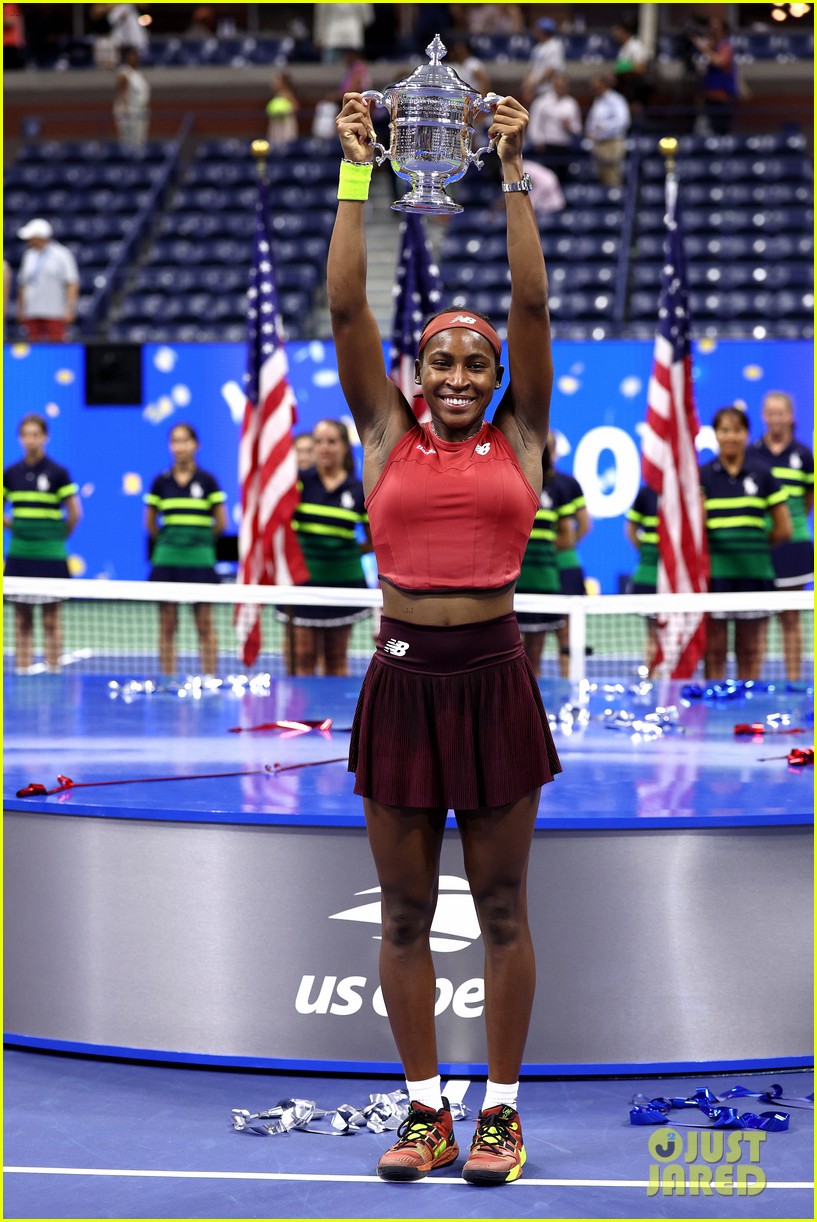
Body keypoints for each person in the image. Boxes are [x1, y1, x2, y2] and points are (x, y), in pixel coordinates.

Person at [329, 90, 560, 1186]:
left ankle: (501, 1115)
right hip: (403, 685)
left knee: (505, 908)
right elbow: (343, 315)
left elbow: (530, 301)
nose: (460, 376)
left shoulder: (524, 431)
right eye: (443, 364)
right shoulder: (382, 434)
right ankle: (425, 1113)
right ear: (418, 377)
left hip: (496, 680)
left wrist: (511, 167)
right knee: (408, 911)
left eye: (476, 362)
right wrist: (353, 173)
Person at [700, 407, 791, 680]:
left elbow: (783, 528)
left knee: (750, 649)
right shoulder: (702, 475)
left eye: (736, 430)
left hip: (754, 575)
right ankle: (713, 707)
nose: (730, 436)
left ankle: (748, 708)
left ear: (746, 434)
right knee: (714, 649)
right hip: (716, 577)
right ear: (715, 434)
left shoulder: (762, 474)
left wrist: (753, 546)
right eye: (724, 430)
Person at [279, 418, 372, 677]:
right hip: (302, 584)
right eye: (319, 442)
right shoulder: (298, 483)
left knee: (336, 659)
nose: (324, 448)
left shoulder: (357, 488)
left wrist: (347, 554)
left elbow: (374, 537)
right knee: (303, 657)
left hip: (344, 584)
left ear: (344, 446)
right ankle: (301, 718)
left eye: (331, 441)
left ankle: (336, 718)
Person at [144, 423, 227, 675]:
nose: (179, 446)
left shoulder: (208, 481)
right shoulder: (160, 481)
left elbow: (221, 523)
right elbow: (150, 522)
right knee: (167, 626)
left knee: (204, 625)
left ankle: (209, 678)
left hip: (200, 562)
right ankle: (168, 679)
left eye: (184, 441)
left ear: (195, 445)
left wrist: (198, 542)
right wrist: (171, 542)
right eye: (175, 441)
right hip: (167, 560)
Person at [3, 413, 81, 673]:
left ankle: (54, 669)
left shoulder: (58, 472)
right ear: (20, 438)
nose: (31, 440)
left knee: (51, 620)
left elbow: (74, 514)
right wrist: (17, 527)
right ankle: (22, 669)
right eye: (26, 435)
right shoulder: (10, 473)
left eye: (35, 434)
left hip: (51, 556)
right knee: (22, 620)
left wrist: (53, 537)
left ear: (45, 437)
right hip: (19, 554)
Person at [750, 391, 814, 681]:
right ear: (764, 416)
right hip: (762, 545)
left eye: (781, 413)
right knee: (758, 619)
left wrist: (791, 523)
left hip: (796, 545)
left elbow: (809, 499)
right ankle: (758, 683)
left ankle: (794, 682)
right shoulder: (752, 454)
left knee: (791, 617)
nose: (776, 418)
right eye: (770, 413)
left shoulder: (803, 454)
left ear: (790, 416)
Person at [516, 447, 573, 675]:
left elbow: (567, 535)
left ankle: (530, 707)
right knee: (508, 651)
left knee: (534, 655)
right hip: (512, 579)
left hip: (544, 580)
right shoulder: (510, 481)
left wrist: (544, 550)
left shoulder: (557, 488)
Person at [550, 435, 590, 679]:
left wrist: (560, 545)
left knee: (567, 635)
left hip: (565, 568)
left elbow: (584, 525)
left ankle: (571, 691)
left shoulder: (568, 484)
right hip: (530, 571)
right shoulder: (519, 477)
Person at [16, 219, 79, 342]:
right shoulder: (29, 255)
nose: (28, 240)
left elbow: (72, 283)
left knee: (56, 346)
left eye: (31, 237)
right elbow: (23, 283)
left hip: (55, 311)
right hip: (32, 311)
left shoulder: (62, 254)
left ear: (40, 237)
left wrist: (70, 308)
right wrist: (21, 308)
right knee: (33, 347)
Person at [625, 484, 659, 675]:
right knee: (653, 633)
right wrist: (647, 552)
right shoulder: (646, 493)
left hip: (677, 579)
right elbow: (631, 528)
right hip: (649, 576)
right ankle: (654, 680)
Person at [527, 72, 581, 182]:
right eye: (559, 85)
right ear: (553, 85)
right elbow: (534, 123)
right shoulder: (542, 102)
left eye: (564, 85)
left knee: (563, 179)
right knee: (547, 179)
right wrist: (537, 140)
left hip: (565, 147)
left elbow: (578, 128)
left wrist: (570, 126)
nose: (562, 87)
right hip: (547, 147)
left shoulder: (571, 103)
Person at [692, 13, 738, 136]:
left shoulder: (725, 46)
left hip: (722, 98)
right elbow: (701, 70)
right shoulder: (711, 47)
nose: (713, 30)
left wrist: (704, 49)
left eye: (716, 27)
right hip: (708, 96)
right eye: (711, 27)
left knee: (721, 132)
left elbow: (721, 62)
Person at [584, 73, 631, 189]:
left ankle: (616, 203)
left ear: (603, 84)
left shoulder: (615, 99)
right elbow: (592, 122)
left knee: (613, 177)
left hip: (612, 142)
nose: (593, 87)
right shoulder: (597, 101)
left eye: (595, 84)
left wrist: (604, 126)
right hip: (599, 143)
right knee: (601, 177)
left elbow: (623, 121)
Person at [611, 20, 653, 124]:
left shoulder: (635, 46)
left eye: (617, 32)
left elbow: (641, 68)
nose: (614, 35)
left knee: (635, 115)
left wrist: (623, 67)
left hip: (635, 88)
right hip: (623, 87)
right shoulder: (623, 49)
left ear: (624, 32)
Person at [113, 44, 150, 154]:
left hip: (140, 110)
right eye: (132, 55)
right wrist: (124, 107)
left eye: (136, 55)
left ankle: (137, 160)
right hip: (129, 109)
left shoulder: (138, 73)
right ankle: (126, 159)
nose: (135, 58)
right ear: (127, 57)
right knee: (128, 139)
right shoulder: (124, 72)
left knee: (140, 140)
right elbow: (121, 91)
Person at [521, 17, 565, 105]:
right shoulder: (537, 47)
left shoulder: (555, 45)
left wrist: (533, 85)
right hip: (535, 92)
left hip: (548, 92)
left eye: (538, 29)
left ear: (543, 31)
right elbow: (530, 69)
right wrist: (527, 86)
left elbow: (552, 69)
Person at [265, 70, 299, 147]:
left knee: (285, 144)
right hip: (276, 122)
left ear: (283, 83)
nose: (274, 83)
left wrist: (284, 112)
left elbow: (296, 107)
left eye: (277, 81)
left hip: (285, 122)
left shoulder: (287, 94)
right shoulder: (277, 95)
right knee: (274, 143)